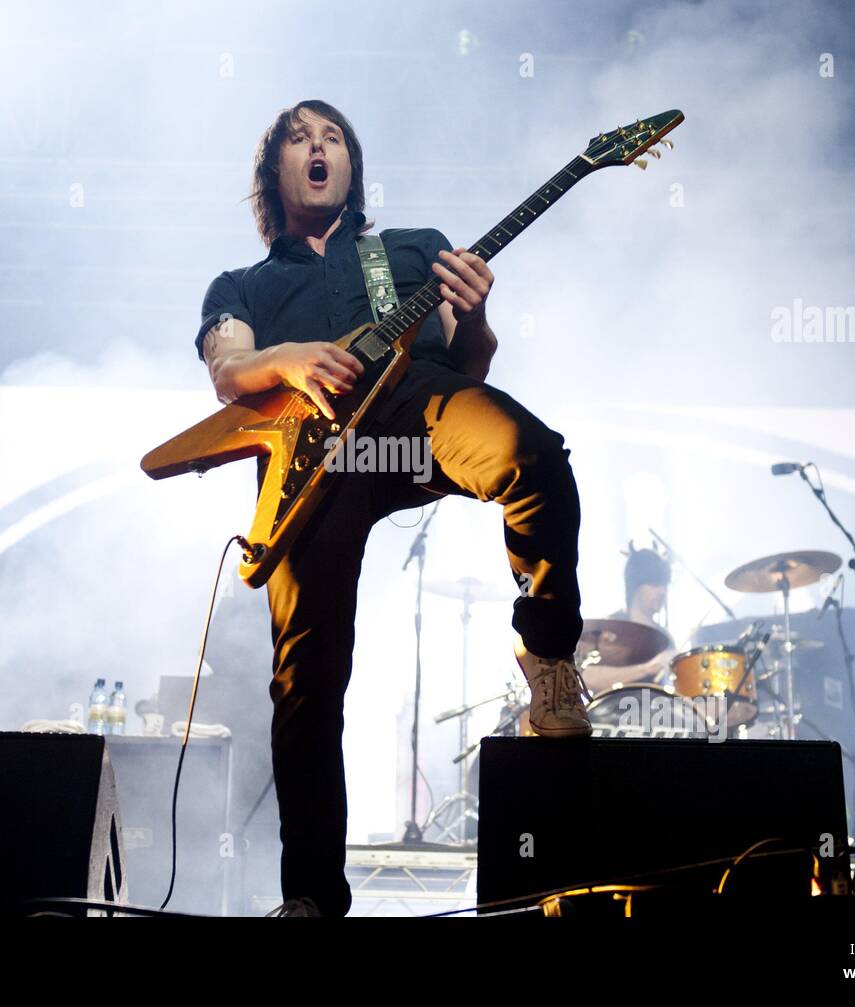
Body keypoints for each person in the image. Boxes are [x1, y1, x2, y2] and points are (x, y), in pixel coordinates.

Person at [194, 100, 588, 917]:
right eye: (300, 138)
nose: (318, 147)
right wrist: (291, 357)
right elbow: (229, 371)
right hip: (320, 460)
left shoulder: (407, 251)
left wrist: (475, 313)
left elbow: (470, 368)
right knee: (306, 677)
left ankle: (548, 653)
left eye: (332, 137)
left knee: (534, 454)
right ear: (275, 171)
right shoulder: (241, 286)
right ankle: (308, 895)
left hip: (416, 417)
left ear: (351, 166)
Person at [580, 545, 676, 695]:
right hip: (611, 715)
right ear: (635, 587)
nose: (662, 591)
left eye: (664, 585)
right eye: (655, 584)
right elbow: (587, 677)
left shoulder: (665, 638)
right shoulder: (608, 629)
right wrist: (649, 668)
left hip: (655, 714)